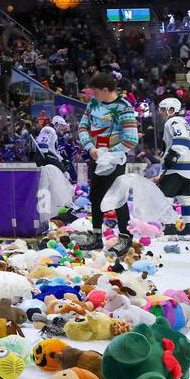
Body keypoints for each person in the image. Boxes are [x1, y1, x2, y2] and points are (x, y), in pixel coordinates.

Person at [75, 72, 139, 252]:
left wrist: (109, 153)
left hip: (115, 161)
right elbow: (82, 128)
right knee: (95, 197)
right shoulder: (93, 104)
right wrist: (91, 148)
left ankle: (125, 237)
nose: (93, 95)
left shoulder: (123, 108)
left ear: (105, 90)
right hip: (97, 157)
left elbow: (131, 139)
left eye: (95, 91)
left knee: (118, 198)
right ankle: (96, 236)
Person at [156, 97, 190, 236]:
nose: (161, 112)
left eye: (164, 109)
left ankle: (169, 228)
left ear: (172, 110)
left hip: (177, 166)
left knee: (164, 197)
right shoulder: (183, 121)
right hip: (188, 166)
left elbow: (182, 139)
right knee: (185, 197)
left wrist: (173, 154)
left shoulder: (174, 121)